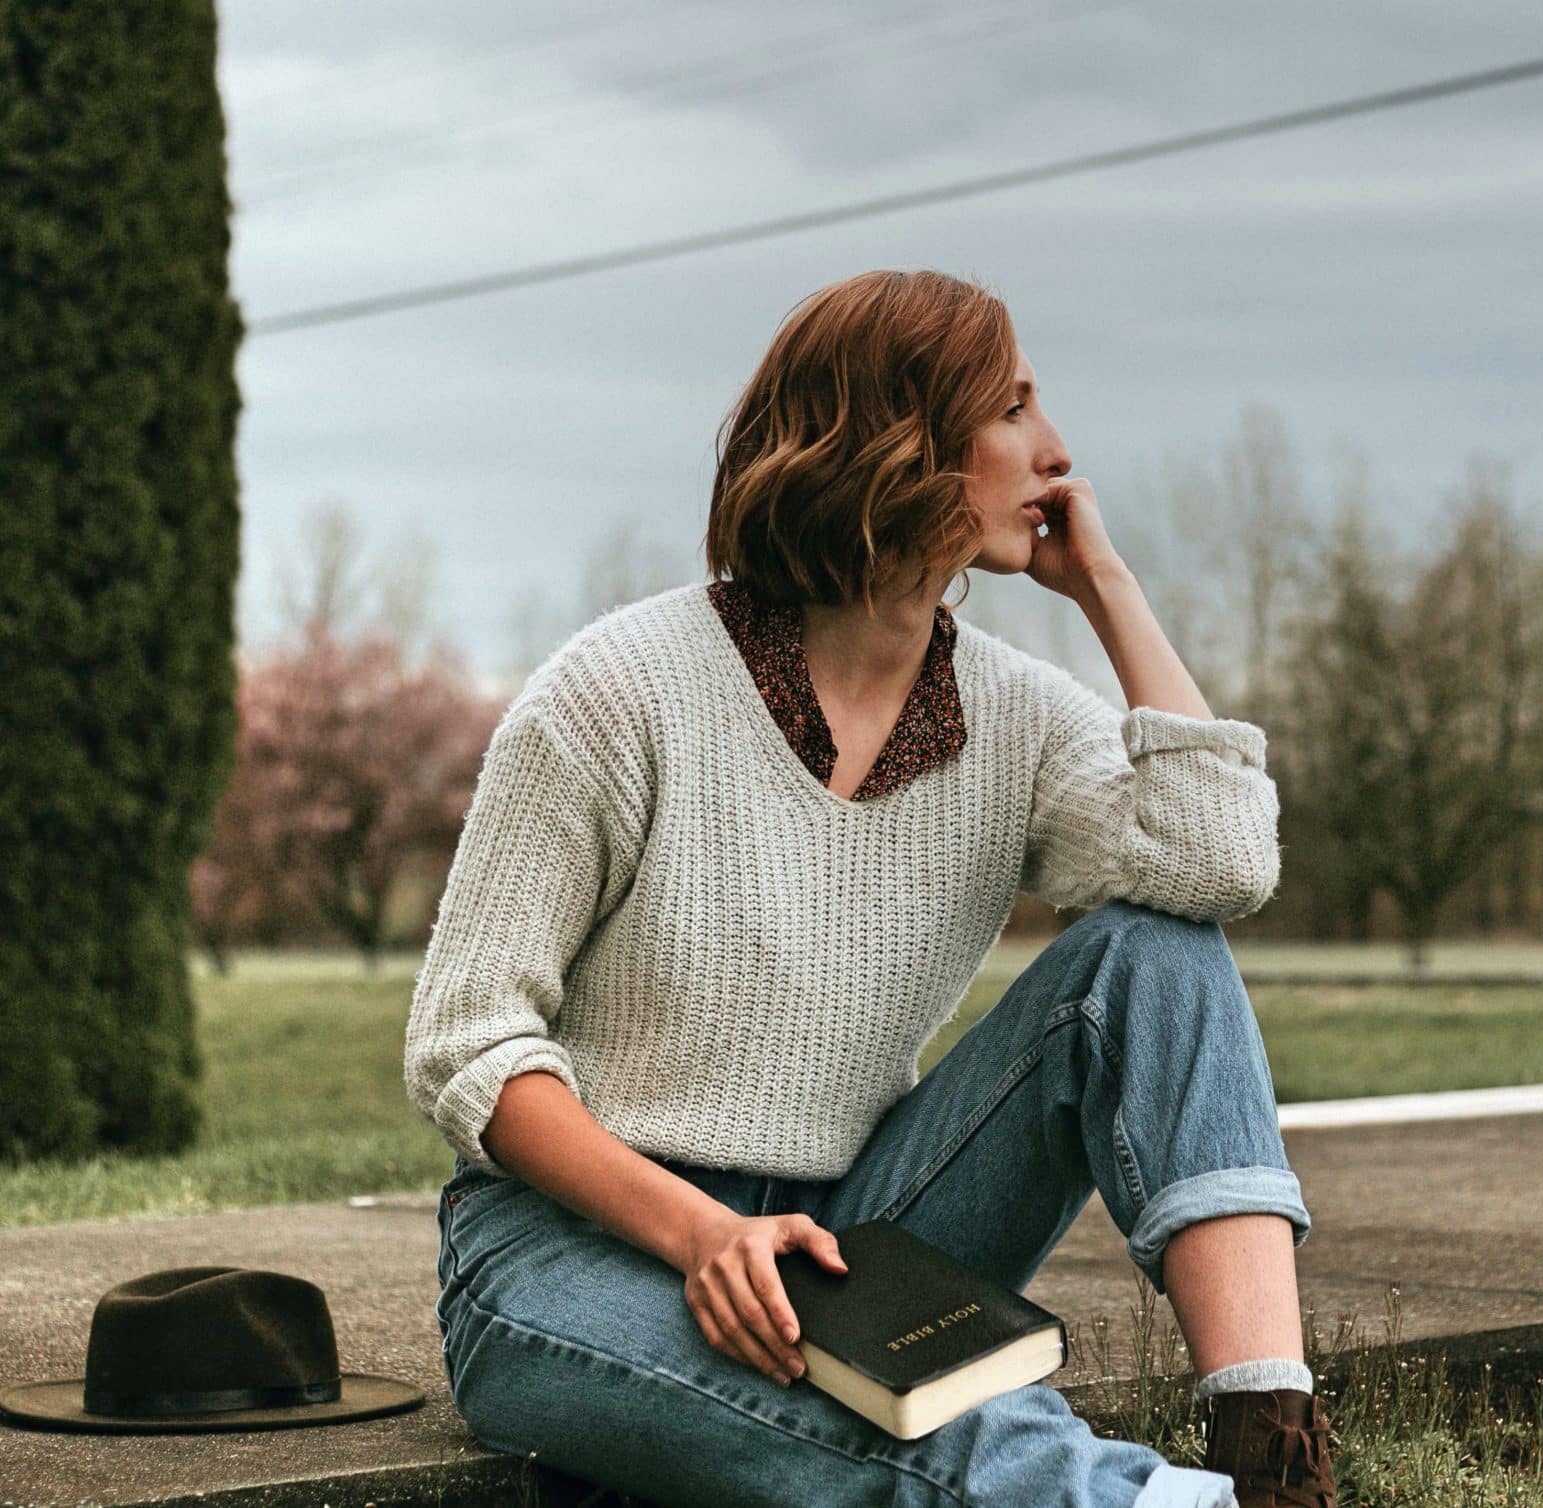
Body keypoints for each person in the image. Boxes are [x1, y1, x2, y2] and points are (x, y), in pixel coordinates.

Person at [404, 268, 1339, 1507]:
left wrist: (1112, 591)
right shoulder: (619, 689)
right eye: (1013, 409)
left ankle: (1273, 1461)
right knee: (896, 1418)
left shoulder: (1015, 717)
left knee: (1156, 957)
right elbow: (465, 1042)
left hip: (858, 1233)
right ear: (900, 440)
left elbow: (1221, 862)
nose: (1059, 455)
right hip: (567, 1251)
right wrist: (701, 1233)